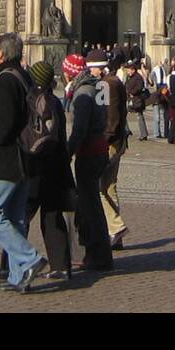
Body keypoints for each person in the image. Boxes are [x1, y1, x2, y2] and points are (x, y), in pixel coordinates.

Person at [0, 60, 74, 282]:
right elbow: (61, 137)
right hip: (54, 166)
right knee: (52, 217)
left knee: (18, 217)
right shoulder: (55, 102)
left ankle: (10, 266)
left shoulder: (28, 100)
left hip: (31, 166)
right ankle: (61, 267)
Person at [0, 33, 48, 294]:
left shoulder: (5, 79)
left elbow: (2, 125)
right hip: (27, 156)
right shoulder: (24, 76)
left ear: (1, 54)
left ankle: (29, 258)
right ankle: (19, 276)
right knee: (15, 217)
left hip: (8, 159)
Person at [63, 53, 112, 273]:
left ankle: (98, 256)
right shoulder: (99, 87)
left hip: (89, 152)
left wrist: (68, 152)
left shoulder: (83, 93)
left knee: (90, 206)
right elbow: (103, 116)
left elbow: (80, 129)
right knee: (92, 204)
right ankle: (96, 254)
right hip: (98, 148)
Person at [100, 54, 130, 249]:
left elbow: (111, 116)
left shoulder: (106, 84)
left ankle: (116, 227)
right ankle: (113, 234)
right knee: (110, 186)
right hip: (118, 141)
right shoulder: (115, 81)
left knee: (99, 187)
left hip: (109, 143)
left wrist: (104, 139)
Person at [125, 58, 150, 141]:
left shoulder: (138, 77)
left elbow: (139, 87)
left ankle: (143, 134)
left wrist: (132, 92)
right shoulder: (129, 77)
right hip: (129, 98)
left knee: (139, 116)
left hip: (136, 99)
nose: (127, 72)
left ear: (133, 70)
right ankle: (127, 130)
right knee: (123, 113)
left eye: (128, 70)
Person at [149, 59, 169, 139]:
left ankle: (164, 132)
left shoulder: (165, 69)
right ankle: (156, 133)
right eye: (159, 62)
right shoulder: (154, 70)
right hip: (156, 94)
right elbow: (150, 80)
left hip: (163, 93)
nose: (160, 63)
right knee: (157, 116)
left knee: (163, 115)